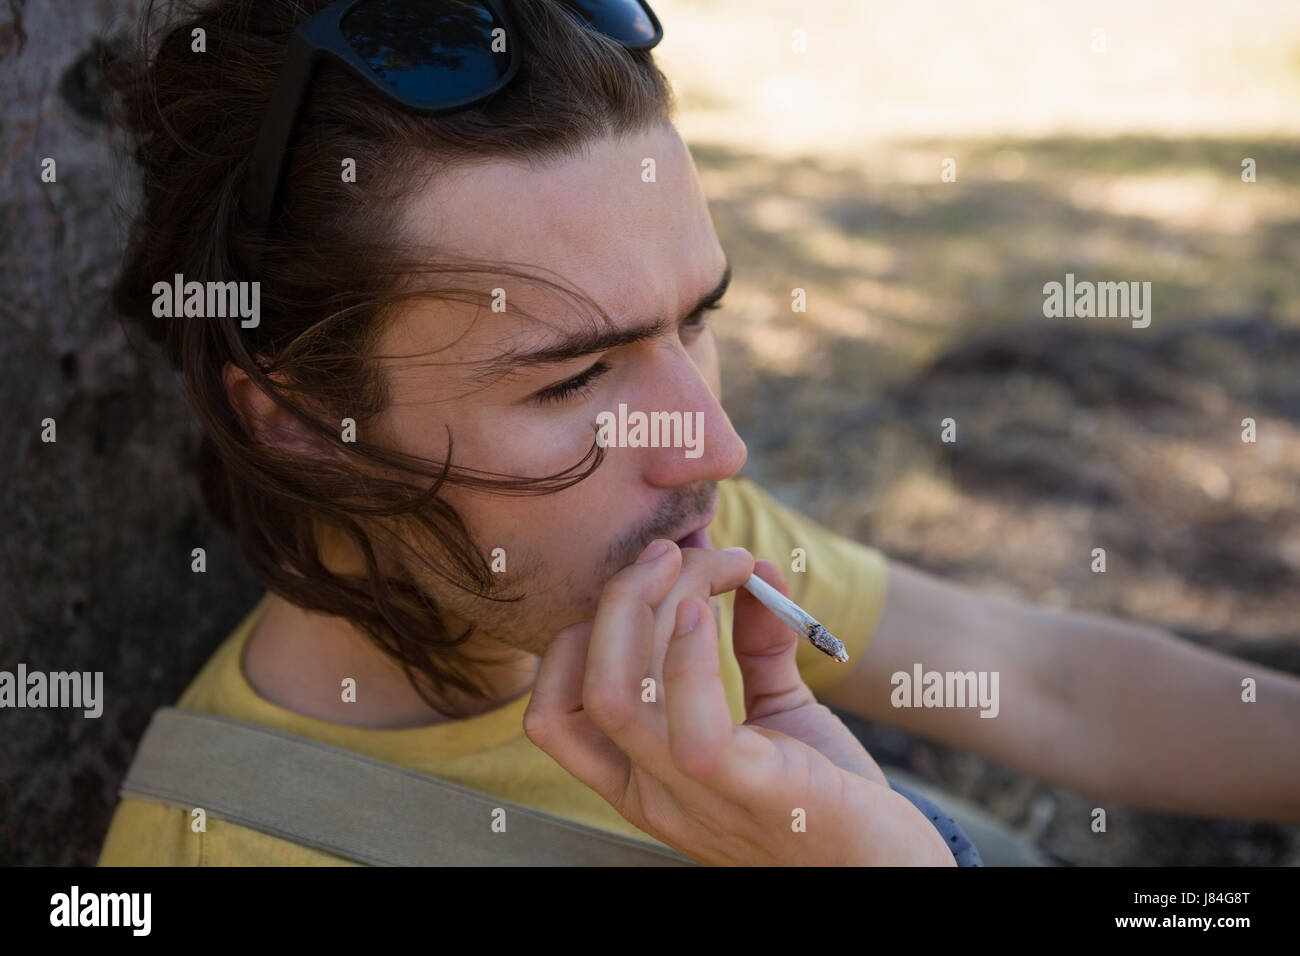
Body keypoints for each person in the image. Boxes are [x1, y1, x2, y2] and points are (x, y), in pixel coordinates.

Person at [99, 0, 1300, 867]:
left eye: (696, 318)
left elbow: (1046, 679)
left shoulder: (664, 552)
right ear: (304, 423)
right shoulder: (228, 841)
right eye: (572, 380)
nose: (715, 447)